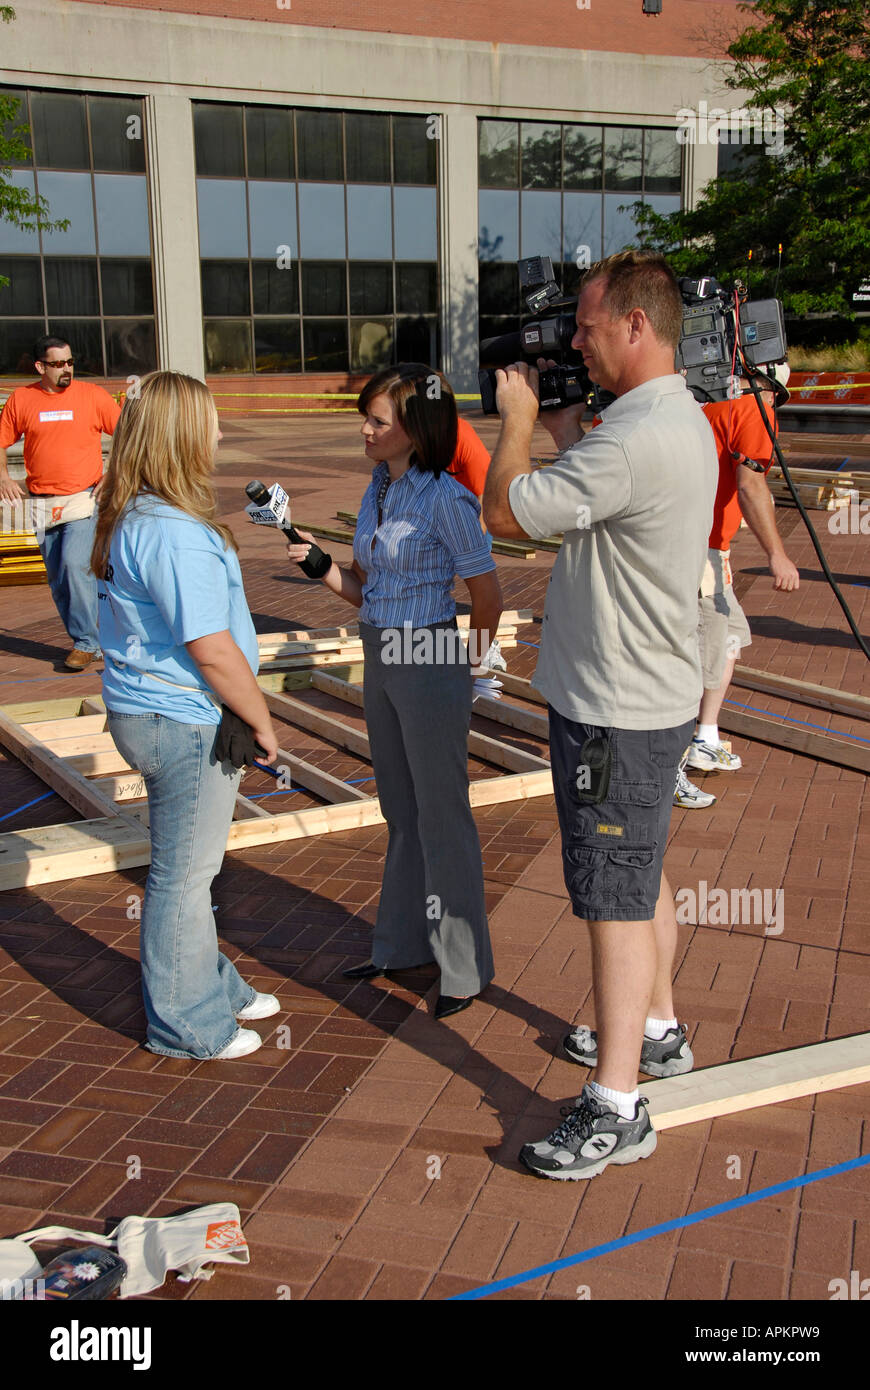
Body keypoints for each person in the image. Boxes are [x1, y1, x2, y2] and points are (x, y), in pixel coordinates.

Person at [483, 250, 717, 1180]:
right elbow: (594, 498)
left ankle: (617, 1106)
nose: (572, 338)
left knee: (612, 900)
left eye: (584, 324)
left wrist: (519, 422)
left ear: (634, 325)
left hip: (615, 712)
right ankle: (657, 1031)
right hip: (645, 700)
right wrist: (572, 426)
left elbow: (509, 512)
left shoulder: (630, 439)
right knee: (642, 870)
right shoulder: (664, 418)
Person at [287, 363, 502, 1020]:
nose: (366, 428)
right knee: (401, 813)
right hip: (379, 652)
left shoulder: (446, 498)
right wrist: (309, 554)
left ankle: (465, 968)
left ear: (413, 428)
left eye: (377, 420)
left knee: (443, 816)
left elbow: (487, 593)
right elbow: (365, 589)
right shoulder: (379, 489)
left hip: (430, 655)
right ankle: (401, 945)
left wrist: (471, 667)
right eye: (367, 416)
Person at [91, 371, 281, 1061]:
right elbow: (211, 647)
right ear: (179, 435)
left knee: (191, 868)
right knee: (183, 876)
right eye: (211, 421)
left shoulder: (137, 513)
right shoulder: (172, 530)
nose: (221, 433)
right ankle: (187, 1024)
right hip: (182, 719)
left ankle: (215, 989)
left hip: (157, 711)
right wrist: (260, 719)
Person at [675, 365, 799, 809]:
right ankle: (679, 752)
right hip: (702, 551)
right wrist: (776, 554)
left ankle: (704, 735)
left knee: (722, 643)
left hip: (677, 544)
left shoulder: (692, 402)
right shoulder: (751, 410)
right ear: (768, 388)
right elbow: (751, 485)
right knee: (709, 648)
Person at [0, 336, 121, 671]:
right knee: (57, 578)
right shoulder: (22, 399)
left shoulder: (93, 396)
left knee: (73, 565)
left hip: (83, 499)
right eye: (58, 364)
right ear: (40, 366)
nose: (67, 369)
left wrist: (111, 475)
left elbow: (127, 435)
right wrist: (3, 477)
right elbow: (1, 439)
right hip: (40, 502)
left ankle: (87, 642)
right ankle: (85, 639)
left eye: (70, 362)